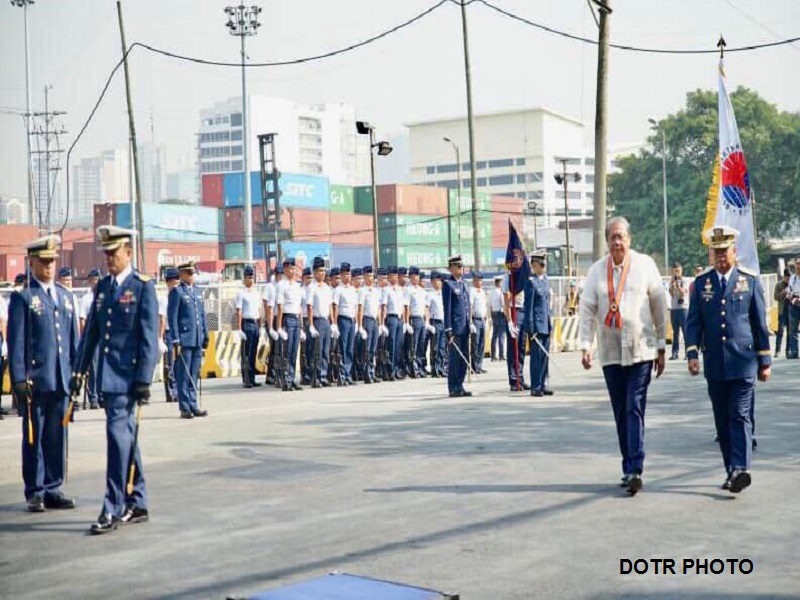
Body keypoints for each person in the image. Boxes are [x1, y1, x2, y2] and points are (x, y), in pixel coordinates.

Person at [74, 226, 157, 533]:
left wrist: (145, 379)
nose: (110, 258)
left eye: (114, 253)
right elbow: (92, 334)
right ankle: (138, 502)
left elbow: (150, 337)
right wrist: (78, 372)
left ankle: (112, 506)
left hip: (129, 379)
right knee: (126, 440)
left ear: (129, 252)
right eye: (106, 253)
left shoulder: (142, 287)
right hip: (108, 380)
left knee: (116, 440)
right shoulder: (104, 288)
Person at [578, 216, 667, 495]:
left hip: (641, 349)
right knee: (620, 410)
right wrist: (585, 345)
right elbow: (587, 310)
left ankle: (635, 468)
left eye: (621, 236)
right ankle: (627, 465)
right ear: (607, 241)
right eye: (612, 237)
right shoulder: (595, 271)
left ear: (630, 239)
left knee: (634, 406)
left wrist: (662, 345)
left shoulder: (644, 265)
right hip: (611, 351)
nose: (617, 241)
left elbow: (659, 304)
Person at [685, 226, 771, 494]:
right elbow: (693, 323)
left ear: (735, 251)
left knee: (740, 414)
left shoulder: (750, 281)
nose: (721, 257)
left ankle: (741, 468)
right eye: (716, 252)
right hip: (715, 364)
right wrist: (691, 354)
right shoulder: (702, 284)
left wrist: (765, 360)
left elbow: (759, 323)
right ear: (711, 254)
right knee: (722, 420)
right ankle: (731, 470)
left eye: (725, 251)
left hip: (744, 362)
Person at [7, 234, 78, 512]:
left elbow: (73, 342)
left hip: (61, 379)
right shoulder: (24, 298)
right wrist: (19, 379)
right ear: (31, 262)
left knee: (56, 436)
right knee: (34, 437)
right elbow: (17, 343)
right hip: (36, 380)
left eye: (52, 261)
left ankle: (53, 486)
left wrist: (76, 375)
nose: (48, 267)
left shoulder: (65, 295)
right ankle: (34, 490)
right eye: (43, 262)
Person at [168, 261, 209, 419]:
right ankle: (184, 407)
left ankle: (193, 404)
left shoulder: (197, 292)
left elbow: (202, 315)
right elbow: (172, 318)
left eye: (193, 273)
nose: (192, 276)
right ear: (182, 274)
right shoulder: (177, 292)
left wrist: (205, 335)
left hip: (197, 338)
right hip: (184, 339)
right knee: (183, 374)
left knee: (194, 372)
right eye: (189, 273)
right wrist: (176, 339)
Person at [523, 250, 553, 397]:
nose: (544, 266)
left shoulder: (545, 280)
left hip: (546, 324)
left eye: (544, 263)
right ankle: (536, 386)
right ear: (534, 266)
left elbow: (547, 305)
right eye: (541, 264)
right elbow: (528, 307)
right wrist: (530, 328)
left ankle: (543, 382)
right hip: (536, 325)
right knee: (536, 357)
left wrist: (550, 322)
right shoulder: (531, 283)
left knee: (545, 356)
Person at [442, 255, 472, 398]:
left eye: (462, 266)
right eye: (458, 266)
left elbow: (467, 306)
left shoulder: (464, 284)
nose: (461, 269)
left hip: (465, 327)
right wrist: (448, 329)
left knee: (464, 358)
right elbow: (447, 308)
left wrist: (470, 323)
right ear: (451, 268)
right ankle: (453, 387)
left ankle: (460, 384)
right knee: (455, 359)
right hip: (455, 327)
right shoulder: (448, 285)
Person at [276, 257, 305, 391]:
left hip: (296, 320)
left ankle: (292, 379)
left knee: (294, 351)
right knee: (286, 352)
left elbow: (299, 306)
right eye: (289, 268)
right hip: (287, 319)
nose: (292, 270)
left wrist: (302, 325)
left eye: (294, 268)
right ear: (285, 269)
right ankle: (286, 380)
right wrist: (279, 326)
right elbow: (280, 306)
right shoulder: (282, 284)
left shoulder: (297, 286)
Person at [307, 257, 333, 386]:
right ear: (314, 272)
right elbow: (309, 307)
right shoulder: (312, 288)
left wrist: (333, 323)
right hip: (316, 321)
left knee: (325, 351)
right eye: (319, 271)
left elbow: (330, 306)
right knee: (317, 351)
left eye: (323, 271)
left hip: (326, 321)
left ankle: (323, 375)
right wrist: (311, 325)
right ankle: (315, 376)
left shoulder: (327, 288)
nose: (322, 273)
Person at [235, 265, 263, 389]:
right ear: (244, 278)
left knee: (253, 353)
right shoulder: (241, 293)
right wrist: (239, 328)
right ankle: (246, 378)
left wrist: (260, 325)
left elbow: (259, 309)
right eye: (248, 277)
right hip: (246, 323)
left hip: (255, 323)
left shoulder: (256, 293)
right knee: (246, 353)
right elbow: (239, 311)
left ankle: (252, 378)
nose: (250, 280)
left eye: (251, 277)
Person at [78, 268, 102, 409]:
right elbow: (82, 321)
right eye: (93, 280)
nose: (96, 282)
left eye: (98, 280)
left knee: (103, 368)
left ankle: (101, 395)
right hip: (92, 338)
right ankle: (93, 397)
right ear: (90, 281)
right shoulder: (86, 299)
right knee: (93, 368)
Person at [504, 268, 529, 392]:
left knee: (522, 347)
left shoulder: (525, 276)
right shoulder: (508, 277)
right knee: (513, 348)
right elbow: (506, 301)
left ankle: (521, 377)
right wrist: (509, 321)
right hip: (514, 311)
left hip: (524, 310)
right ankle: (514, 380)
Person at [333, 262, 358, 385]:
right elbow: (335, 307)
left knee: (350, 348)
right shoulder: (338, 290)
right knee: (342, 348)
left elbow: (355, 307)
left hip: (351, 320)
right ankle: (341, 374)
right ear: (341, 275)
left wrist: (357, 322)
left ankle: (347, 374)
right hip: (342, 320)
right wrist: (334, 323)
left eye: (348, 274)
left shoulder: (353, 290)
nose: (347, 276)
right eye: (344, 274)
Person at [381, 266, 406, 381]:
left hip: (399, 319)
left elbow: (403, 306)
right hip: (391, 318)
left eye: (396, 276)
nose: (395, 278)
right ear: (389, 277)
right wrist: (382, 322)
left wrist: (405, 321)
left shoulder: (400, 290)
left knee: (399, 345)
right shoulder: (386, 290)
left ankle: (396, 369)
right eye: (393, 276)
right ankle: (390, 370)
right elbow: (384, 306)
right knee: (391, 345)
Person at [357, 265, 381, 384]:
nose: (370, 278)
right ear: (364, 277)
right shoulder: (362, 291)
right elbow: (360, 308)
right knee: (367, 349)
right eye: (368, 276)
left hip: (375, 320)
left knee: (373, 349)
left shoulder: (376, 291)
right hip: (366, 320)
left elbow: (379, 308)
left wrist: (380, 324)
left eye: (372, 276)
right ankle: (366, 373)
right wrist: (360, 325)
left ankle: (372, 371)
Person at [158, 268, 179, 402]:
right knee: (170, 364)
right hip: (169, 333)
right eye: (174, 281)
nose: (176, 284)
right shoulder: (164, 299)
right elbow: (162, 319)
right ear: (168, 283)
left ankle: (178, 390)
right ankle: (171, 392)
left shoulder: (180, 296)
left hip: (179, 333)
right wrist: (160, 338)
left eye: (177, 280)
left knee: (178, 364)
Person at [407, 266, 429, 378]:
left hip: (421, 319)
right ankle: (413, 368)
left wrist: (427, 321)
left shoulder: (422, 291)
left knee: (422, 344)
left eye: (417, 276)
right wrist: (406, 322)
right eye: (413, 276)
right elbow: (406, 307)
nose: (415, 278)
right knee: (413, 345)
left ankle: (420, 367)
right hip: (414, 319)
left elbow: (425, 307)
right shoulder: (408, 290)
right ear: (410, 277)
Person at [427, 272, 447, 377]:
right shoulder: (430, 294)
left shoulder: (444, 293)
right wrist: (427, 322)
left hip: (443, 322)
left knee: (442, 347)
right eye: (436, 281)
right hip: (435, 322)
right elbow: (426, 308)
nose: (438, 283)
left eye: (439, 280)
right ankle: (435, 369)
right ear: (432, 282)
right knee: (435, 347)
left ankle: (441, 367)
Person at [668, 262, 689, 360]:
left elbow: (683, 292)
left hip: (683, 309)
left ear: (681, 270)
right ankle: (675, 353)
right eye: (675, 271)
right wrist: (673, 284)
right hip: (674, 308)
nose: (676, 273)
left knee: (685, 331)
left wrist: (678, 284)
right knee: (675, 333)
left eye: (678, 271)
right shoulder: (671, 280)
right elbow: (671, 293)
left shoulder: (685, 280)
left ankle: (688, 353)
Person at [469, 272, 488, 374]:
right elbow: (470, 306)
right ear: (474, 280)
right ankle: (474, 366)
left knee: (481, 344)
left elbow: (484, 306)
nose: (479, 282)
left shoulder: (483, 292)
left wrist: (487, 318)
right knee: (475, 344)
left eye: (480, 280)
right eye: (477, 280)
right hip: (475, 319)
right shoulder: (472, 291)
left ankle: (479, 365)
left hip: (482, 320)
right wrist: (471, 322)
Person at [773, 269, 790, 358]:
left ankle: (788, 350)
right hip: (782, 311)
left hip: (791, 311)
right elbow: (775, 297)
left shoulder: (793, 284)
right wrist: (783, 293)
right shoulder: (779, 284)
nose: (788, 280)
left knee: (789, 332)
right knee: (780, 331)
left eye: (789, 278)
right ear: (784, 277)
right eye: (787, 278)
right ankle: (777, 350)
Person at [489, 275, 506, 361]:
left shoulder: (492, 292)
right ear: (499, 283)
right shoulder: (500, 292)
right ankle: (501, 355)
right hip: (500, 314)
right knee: (501, 335)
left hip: (494, 314)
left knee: (494, 335)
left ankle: (493, 356)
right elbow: (503, 304)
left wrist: (491, 315)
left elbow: (490, 306)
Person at [786, 256, 800, 359]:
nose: (798, 266)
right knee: (792, 330)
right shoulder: (793, 278)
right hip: (794, 306)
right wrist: (791, 296)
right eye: (797, 264)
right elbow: (790, 290)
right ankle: (794, 352)